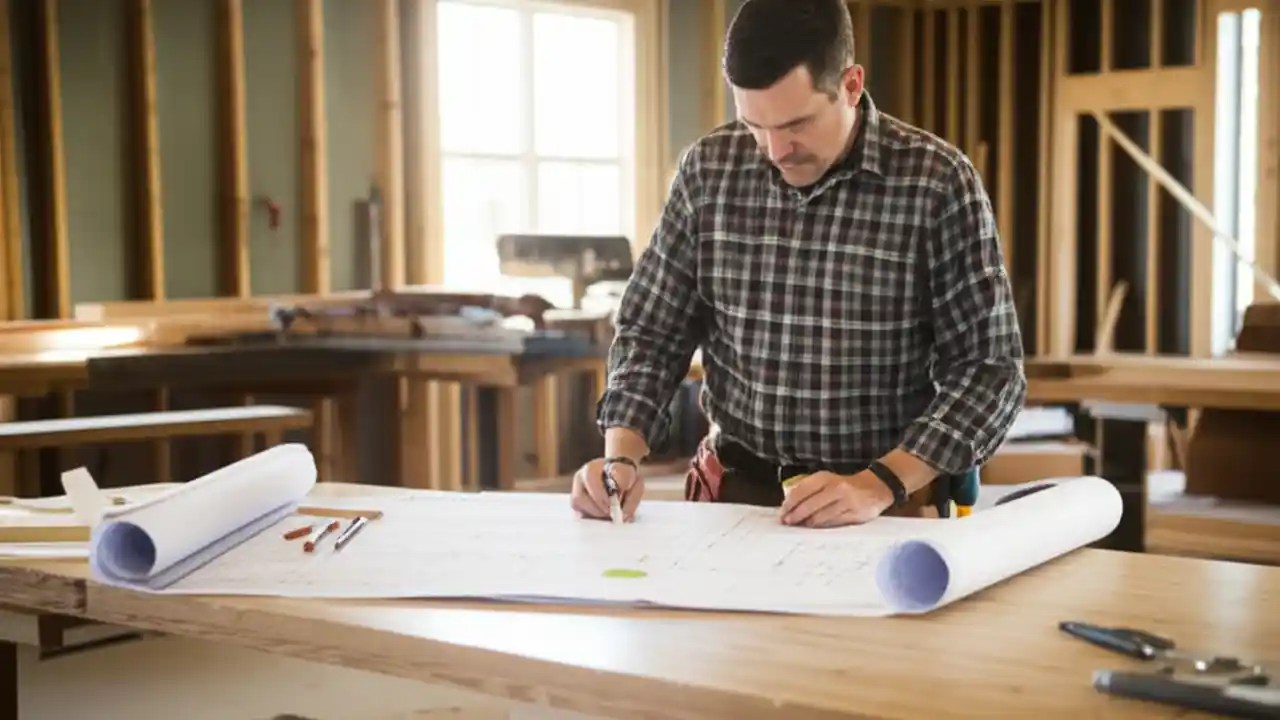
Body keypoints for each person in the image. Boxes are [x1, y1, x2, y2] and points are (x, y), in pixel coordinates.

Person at [572, 0, 1026, 528]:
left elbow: (990, 371)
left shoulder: (937, 183)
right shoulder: (708, 171)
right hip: (734, 498)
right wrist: (621, 455)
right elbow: (652, 330)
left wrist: (879, 484)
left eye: (796, 124)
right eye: (754, 125)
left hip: (885, 504)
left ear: (851, 85)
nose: (774, 150)